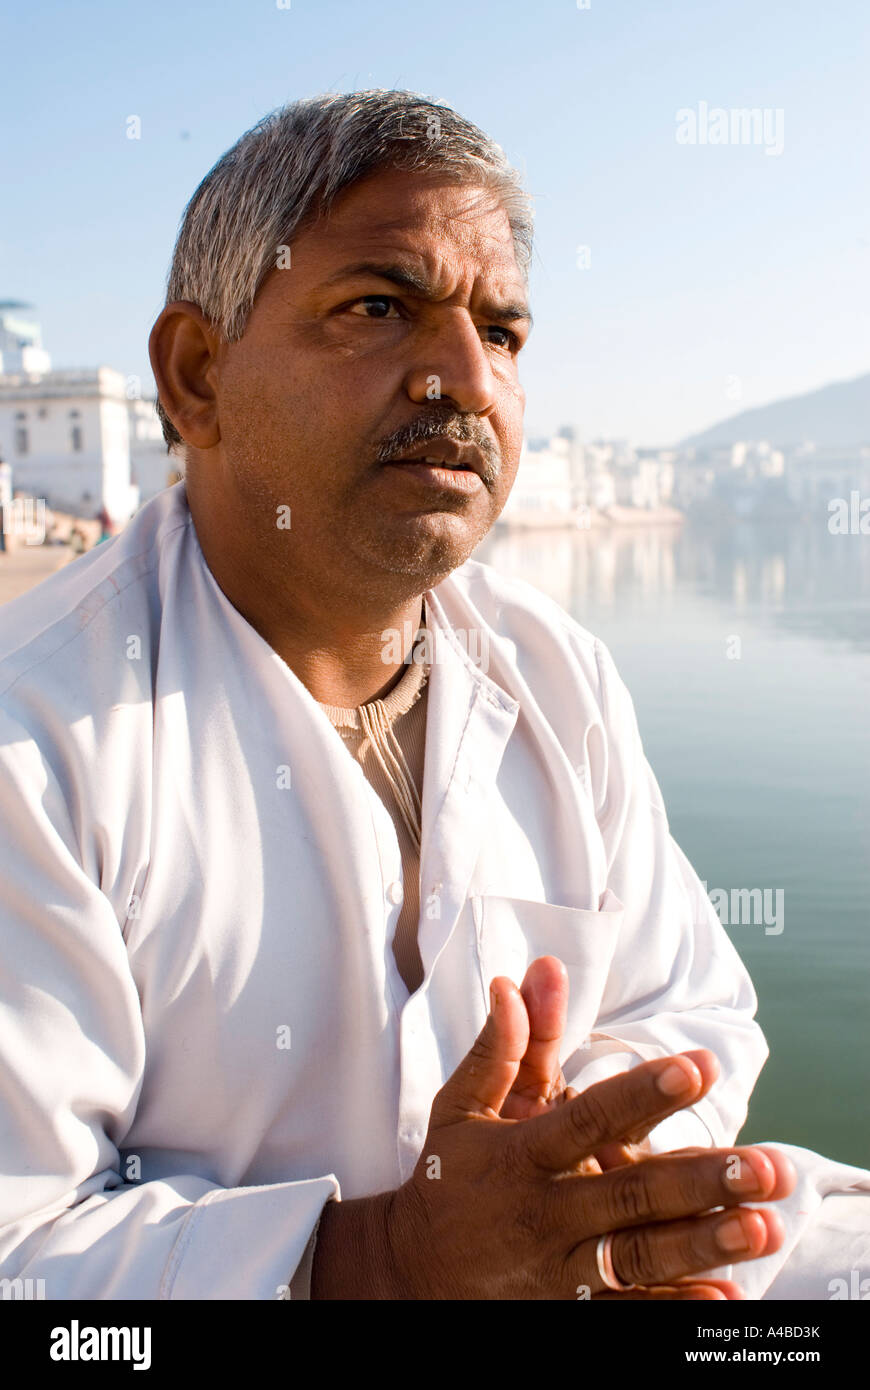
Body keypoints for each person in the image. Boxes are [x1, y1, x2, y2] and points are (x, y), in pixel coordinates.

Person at [0, 91, 867, 1302]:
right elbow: (22, 1259)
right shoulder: (32, 739)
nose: (464, 376)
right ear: (196, 377)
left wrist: (603, 1193)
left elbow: (693, 1004)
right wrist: (387, 1260)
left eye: (503, 333)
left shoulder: (556, 671)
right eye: (377, 308)